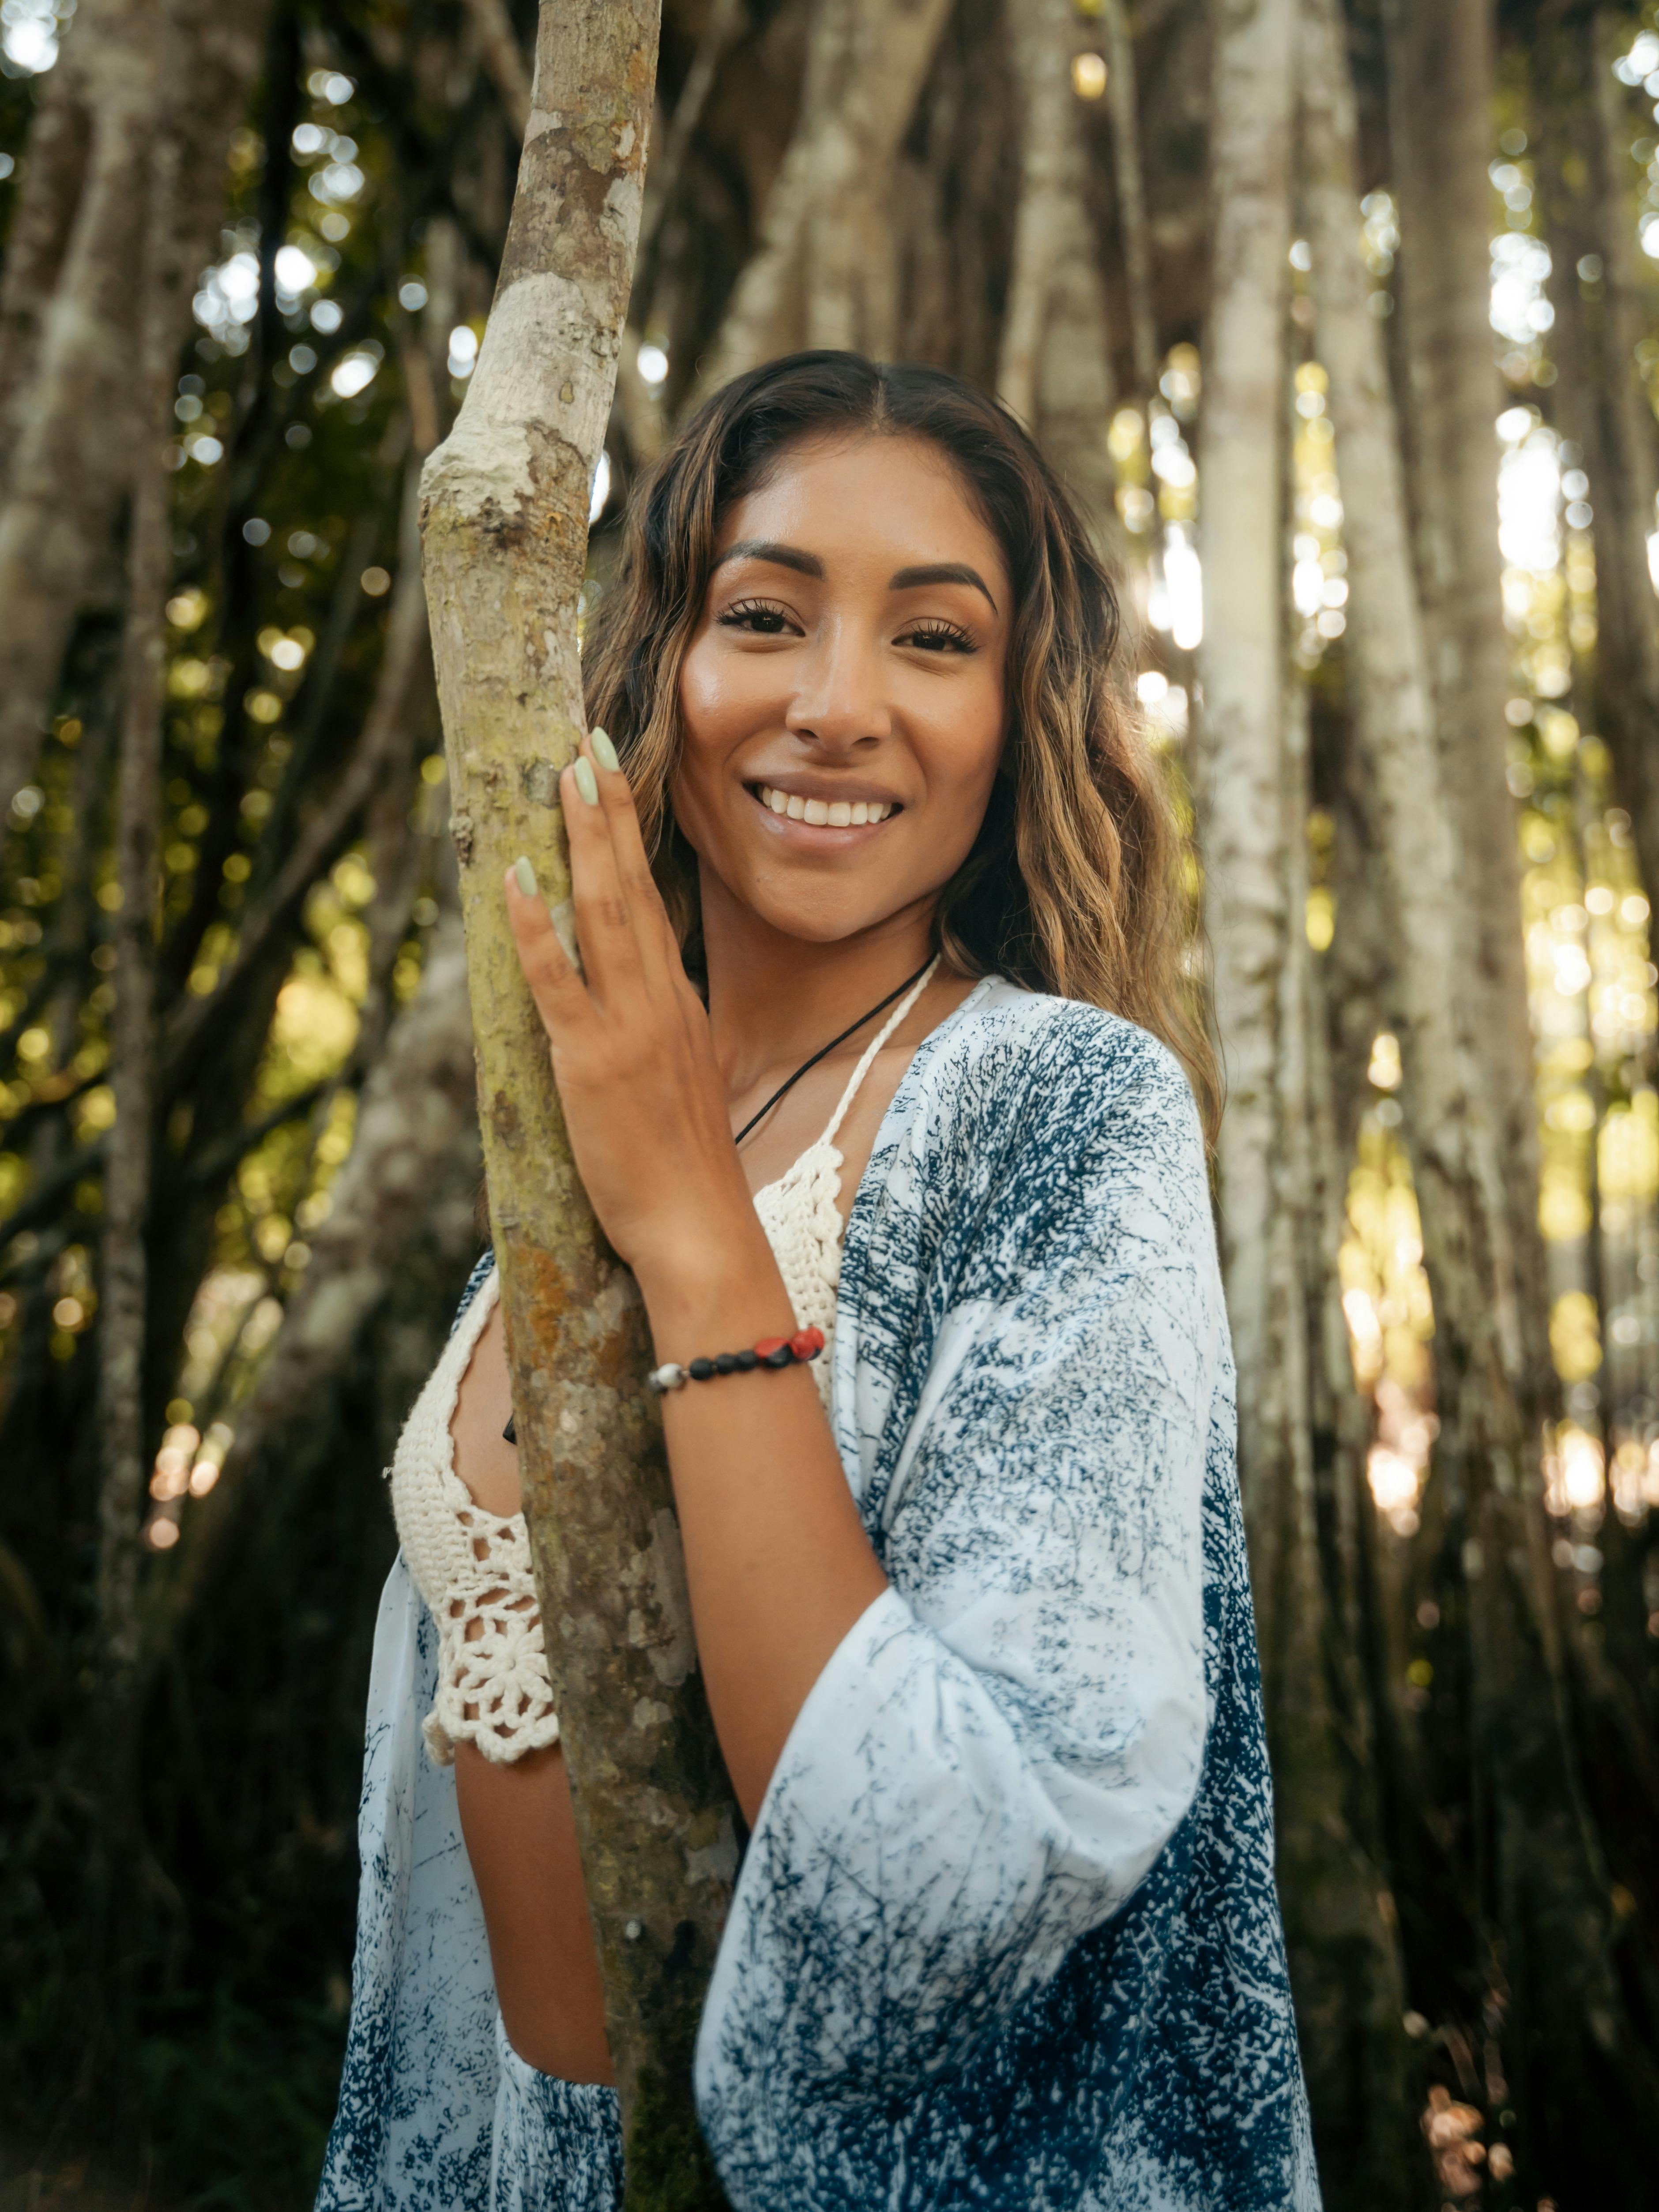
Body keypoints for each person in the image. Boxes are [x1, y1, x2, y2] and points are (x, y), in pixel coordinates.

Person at [316, 350, 1320, 2211]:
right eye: (765, 614)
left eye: (935, 640)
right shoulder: (587, 1150)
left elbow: (952, 1875)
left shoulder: (1058, 1110)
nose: (838, 706)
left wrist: (703, 1248)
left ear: (1021, 712)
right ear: (662, 667)